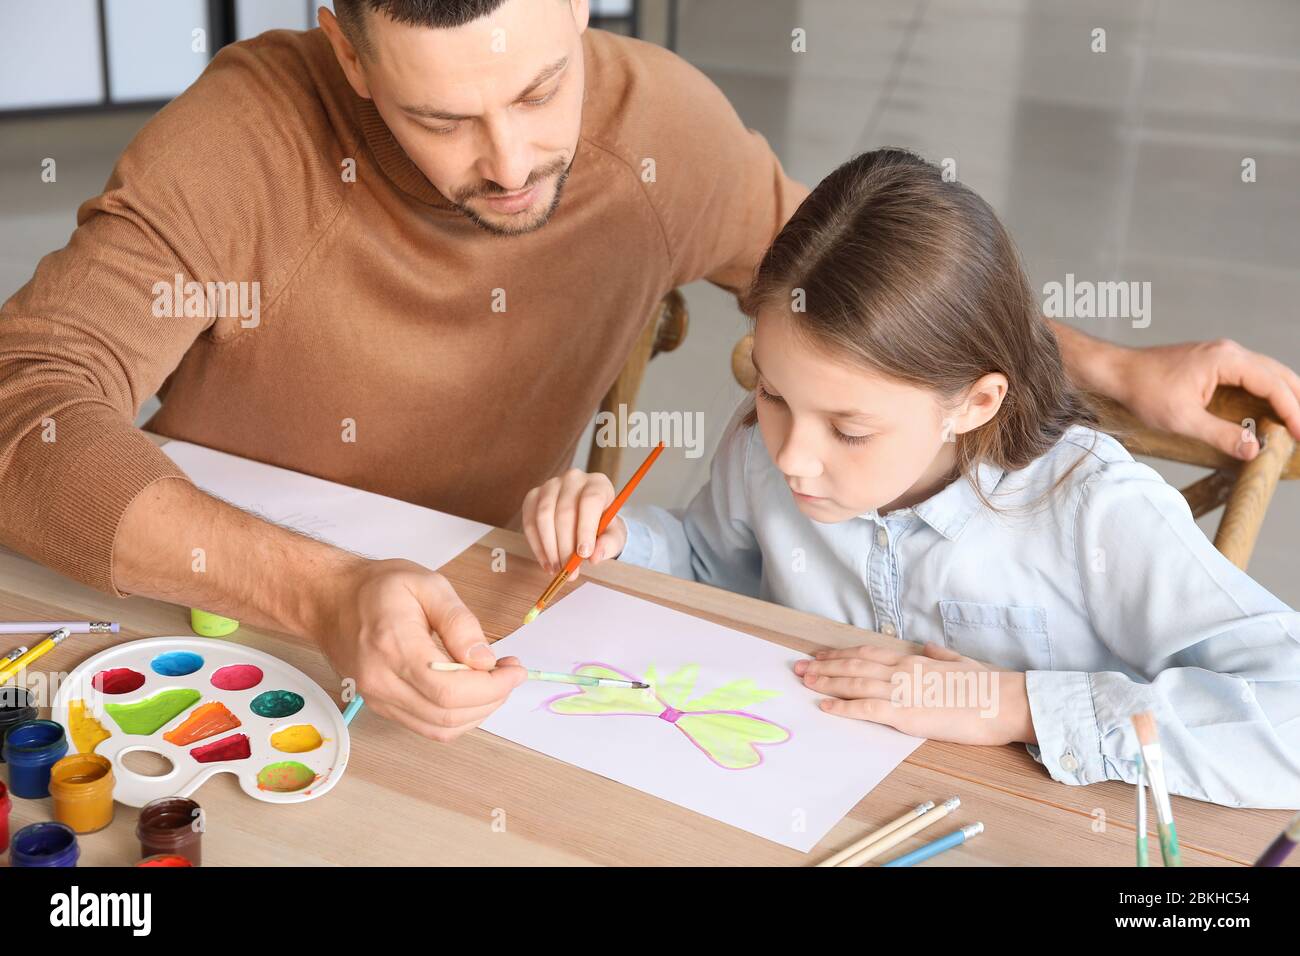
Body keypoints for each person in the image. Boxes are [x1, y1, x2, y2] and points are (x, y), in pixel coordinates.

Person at [2, 1, 1297, 745]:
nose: (510, 162)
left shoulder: (657, 128)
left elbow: (852, 282)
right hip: (213, 607)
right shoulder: (251, 130)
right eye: (441, 118)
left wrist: (1109, 365)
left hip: (495, 631)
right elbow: (29, 416)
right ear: (349, 57)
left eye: (543, 87)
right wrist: (322, 587)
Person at [523, 149, 1300, 806]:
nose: (789, 454)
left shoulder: (1092, 512)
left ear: (974, 403)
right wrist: (619, 535)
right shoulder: (766, 446)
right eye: (772, 391)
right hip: (801, 805)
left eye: (850, 429)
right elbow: (708, 564)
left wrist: (1014, 703)